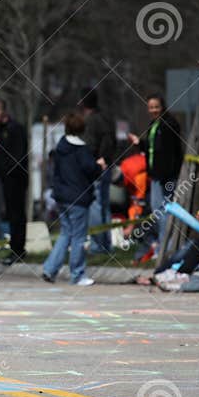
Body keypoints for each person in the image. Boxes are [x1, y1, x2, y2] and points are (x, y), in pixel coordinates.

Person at [42, 112, 102, 286]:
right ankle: (77, 274)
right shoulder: (82, 150)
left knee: (65, 234)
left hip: (61, 197)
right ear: (82, 130)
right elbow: (91, 169)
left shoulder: (60, 148)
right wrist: (100, 166)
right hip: (78, 198)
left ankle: (50, 269)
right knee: (79, 237)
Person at [127, 94, 184, 256]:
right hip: (155, 175)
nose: (153, 110)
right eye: (151, 107)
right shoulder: (154, 125)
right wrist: (140, 144)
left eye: (156, 107)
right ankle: (163, 244)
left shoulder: (169, 125)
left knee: (164, 210)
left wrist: (170, 174)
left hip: (166, 176)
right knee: (156, 210)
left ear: (163, 107)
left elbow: (172, 152)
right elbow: (152, 149)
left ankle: (166, 247)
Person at [0, 97, 30, 265]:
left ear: (4, 110)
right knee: (11, 215)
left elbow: (17, 156)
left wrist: (7, 171)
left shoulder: (15, 128)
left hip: (16, 178)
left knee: (17, 214)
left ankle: (18, 250)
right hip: (5, 178)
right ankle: (15, 248)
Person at [79, 88, 116, 255]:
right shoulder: (107, 118)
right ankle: (107, 244)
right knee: (104, 207)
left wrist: (95, 159)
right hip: (107, 166)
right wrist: (107, 158)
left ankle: (97, 246)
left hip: (96, 168)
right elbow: (111, 140)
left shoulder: (91, 121)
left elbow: (90, 145)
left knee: (95, 207)